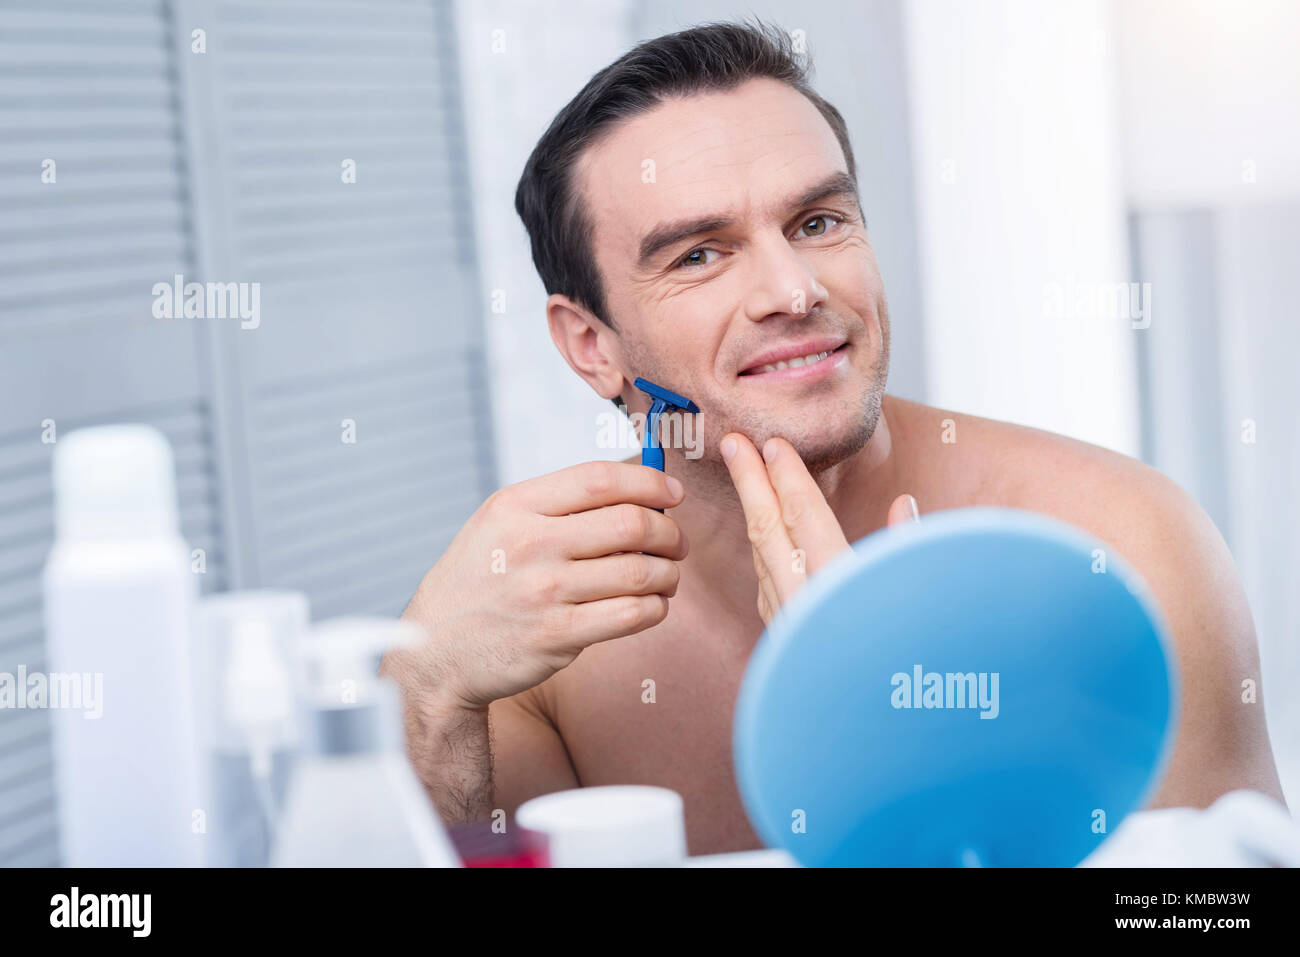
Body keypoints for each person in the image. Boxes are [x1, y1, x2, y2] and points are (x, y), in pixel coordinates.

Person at [383, 20, 1285, 855]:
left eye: (818, 223)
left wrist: (936, 777)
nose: (793, 289)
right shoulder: (547, 647)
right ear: (593, 346)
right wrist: (426, 694)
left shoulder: (1115, 544)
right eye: (699, 253)